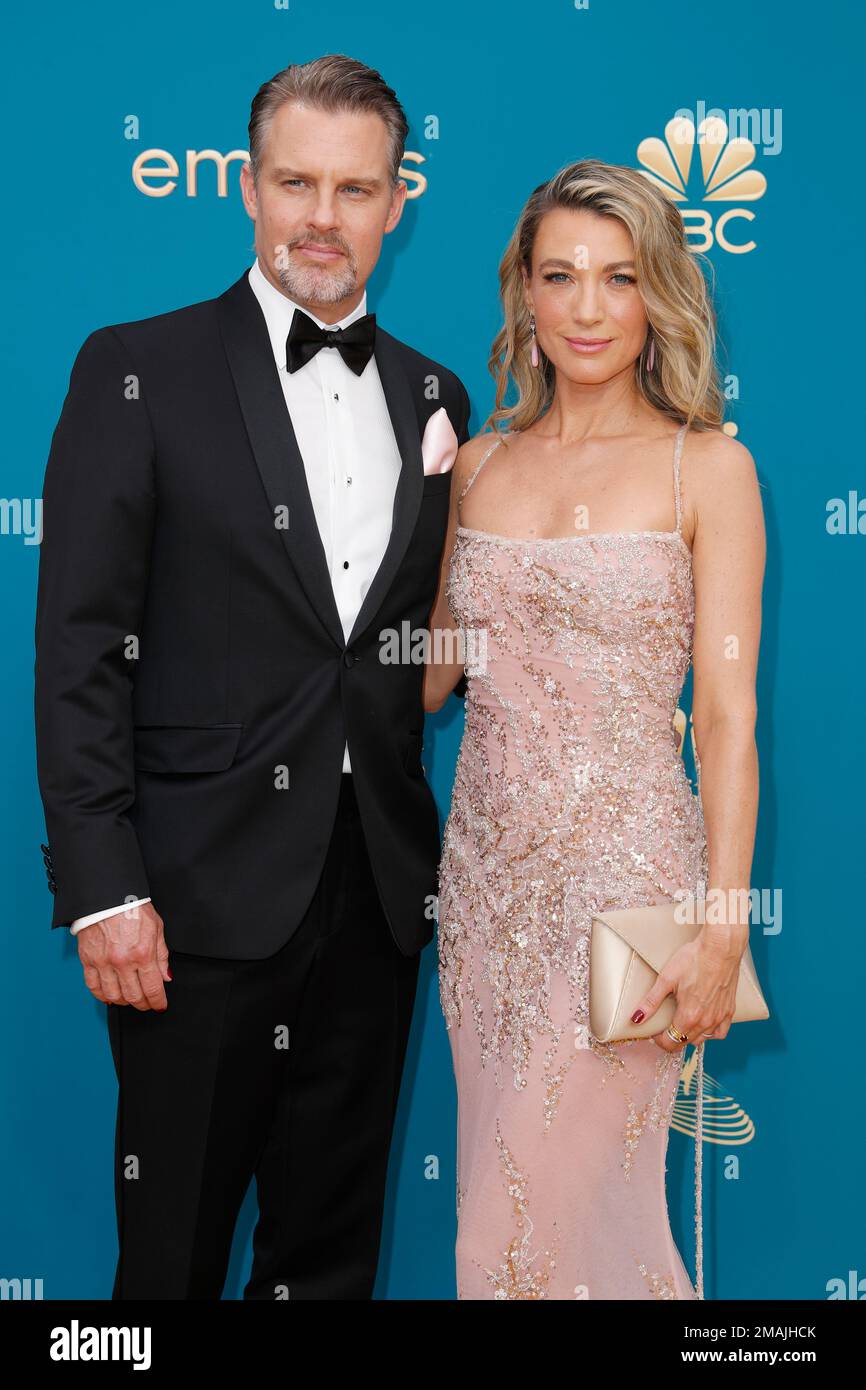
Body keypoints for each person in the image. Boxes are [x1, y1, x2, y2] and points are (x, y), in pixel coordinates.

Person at [34, 53, 471, 1300]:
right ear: (246, 188)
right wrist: (102, 888)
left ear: (399, 201)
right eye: (295, 182)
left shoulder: (434, 393)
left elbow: (416, 647)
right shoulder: (136, 369)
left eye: (354, 187)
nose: (321, 218)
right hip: (190, 897)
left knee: (326, 1256)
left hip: (375, 892)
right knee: (165, 1256)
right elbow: (79, 647)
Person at [423, 159, 765, 1299]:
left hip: (632, 899)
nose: (583, 307)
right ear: (522, 292)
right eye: (557, 275)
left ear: (655, 295)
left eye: (616, 279)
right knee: (508, 1223)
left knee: (534, 1233)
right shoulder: (473, 468)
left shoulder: (705, 468)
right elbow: (423, 680)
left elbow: (722, 715)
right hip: (482, 893)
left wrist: (719, 926)